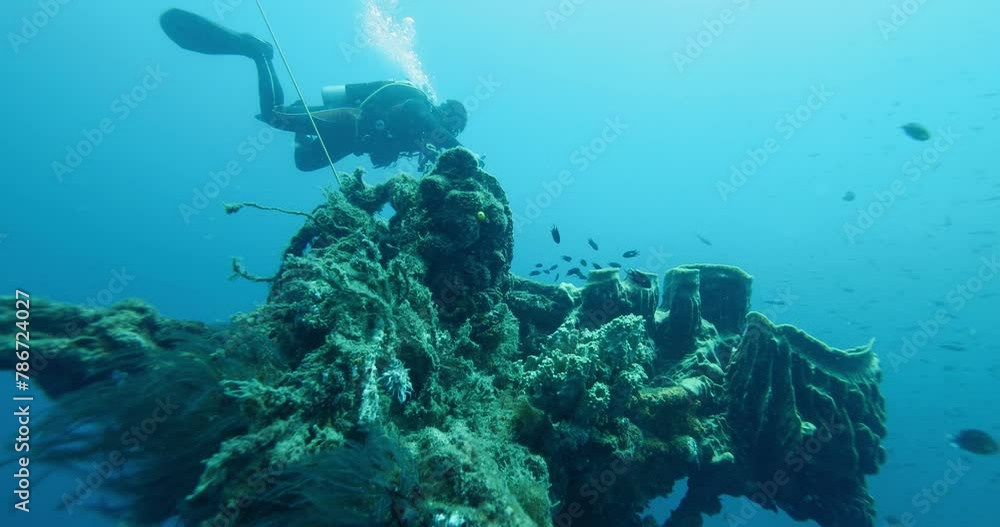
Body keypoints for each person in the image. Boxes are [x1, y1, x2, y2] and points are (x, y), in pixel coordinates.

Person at [159, 8, 467, 171]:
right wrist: (464, 156)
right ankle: (256, 52)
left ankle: (296, 113)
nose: (448, 130)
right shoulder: (419, 104)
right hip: (352, 119)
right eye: (451, 124)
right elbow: (426, 121)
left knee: (304, 163)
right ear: (444, 113)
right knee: (275, 117)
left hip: (351, 141)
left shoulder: (420, 140)